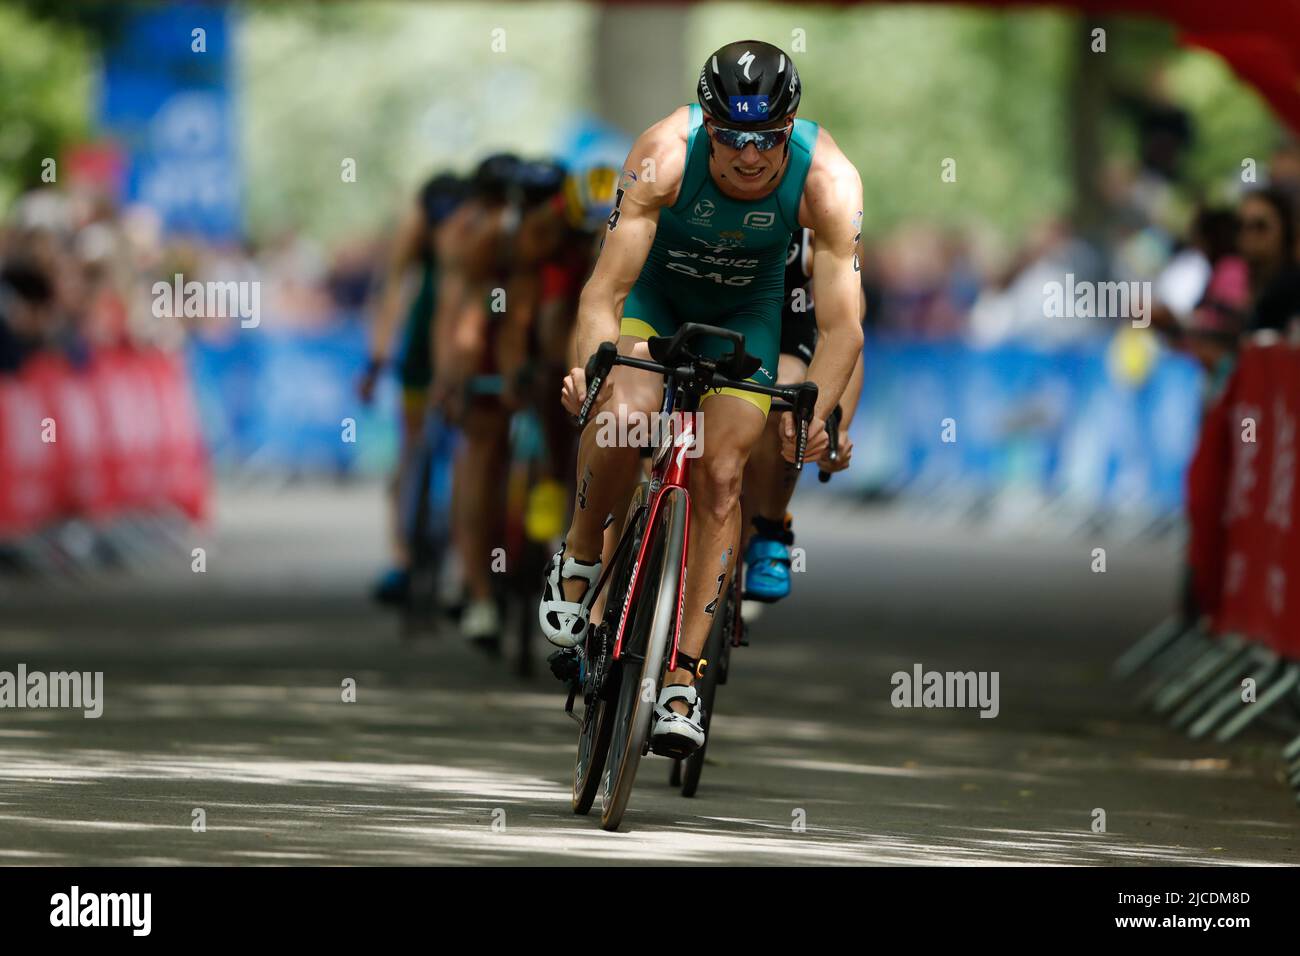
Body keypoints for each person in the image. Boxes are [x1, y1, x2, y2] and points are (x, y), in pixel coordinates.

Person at [540, 40, 864, 757]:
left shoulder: (829, 183)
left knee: (722, 475)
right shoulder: (663, 153)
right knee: (624, 418)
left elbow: (844, 327)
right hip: (659, 296)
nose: (750, 156)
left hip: (751, 308)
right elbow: (606, 290)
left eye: (769, 139)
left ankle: (682, 678)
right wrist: (588, 369)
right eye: (732, 137)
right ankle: (580, 554)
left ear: (791, 129)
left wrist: (819, 409)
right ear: (707, 125)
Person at [739, 226, 864, 605]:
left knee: (782, 399)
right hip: (710, 311)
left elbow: (850, 335)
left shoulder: (818, 221)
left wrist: (839, 428)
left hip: (786, 328)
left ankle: (771, 527)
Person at [360, 172, 469, 605]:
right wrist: (377, 358)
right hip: (421, 355)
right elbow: (391, 294)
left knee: (464, 453)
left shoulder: (471, 230)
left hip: (460, 350)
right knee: (411, 450)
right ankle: (404, 558)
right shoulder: (416, 229)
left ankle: (462, 565)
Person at [1238, 187, 1300, 334]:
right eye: (1240, 226)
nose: (1248, 235)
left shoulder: (1292, 289)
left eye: (1260, 226)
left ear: (1286, 231)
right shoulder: (1256, 285)